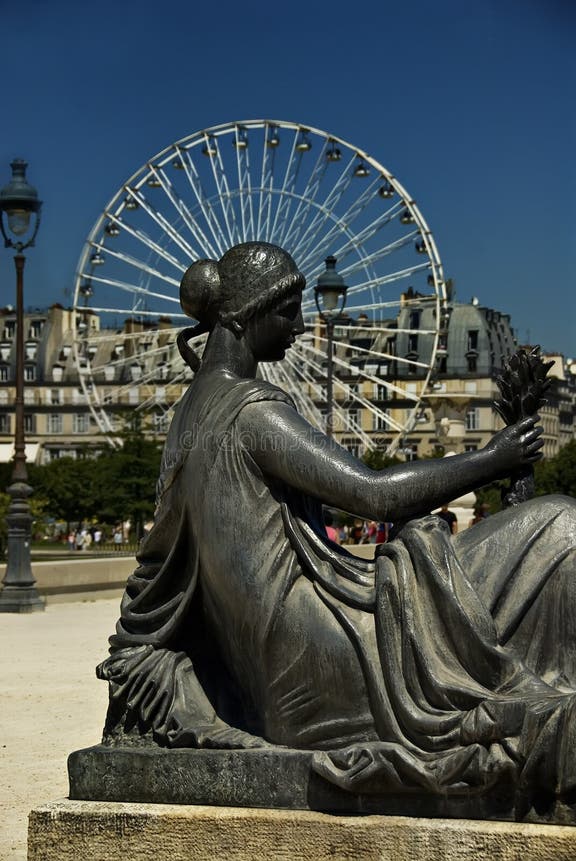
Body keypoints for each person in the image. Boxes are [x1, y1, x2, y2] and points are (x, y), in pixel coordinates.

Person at [98, 242, 576, 806]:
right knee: (559, 526)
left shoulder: (192, 413)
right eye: (288, 309)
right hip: (324, 664)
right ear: (245, 314)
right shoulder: (251, 413)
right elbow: (373, 496)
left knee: (539, 532)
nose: (301, 325)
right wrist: (491, 459)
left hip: (274, 670)